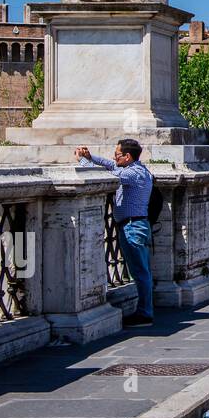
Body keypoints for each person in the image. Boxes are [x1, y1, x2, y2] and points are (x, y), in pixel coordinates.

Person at [76, 139, 155, 326]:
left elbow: (111, 175)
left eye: (118, 154)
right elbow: (112, 165)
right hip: (136, 225)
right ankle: (146, 310)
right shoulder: (138, 169)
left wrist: (83, 162)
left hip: (132, 228)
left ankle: (145, 314)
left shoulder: (132, 174)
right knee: (142, 271)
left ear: (127, 157)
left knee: (140, 272)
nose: (114, 156)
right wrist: (91, 157)